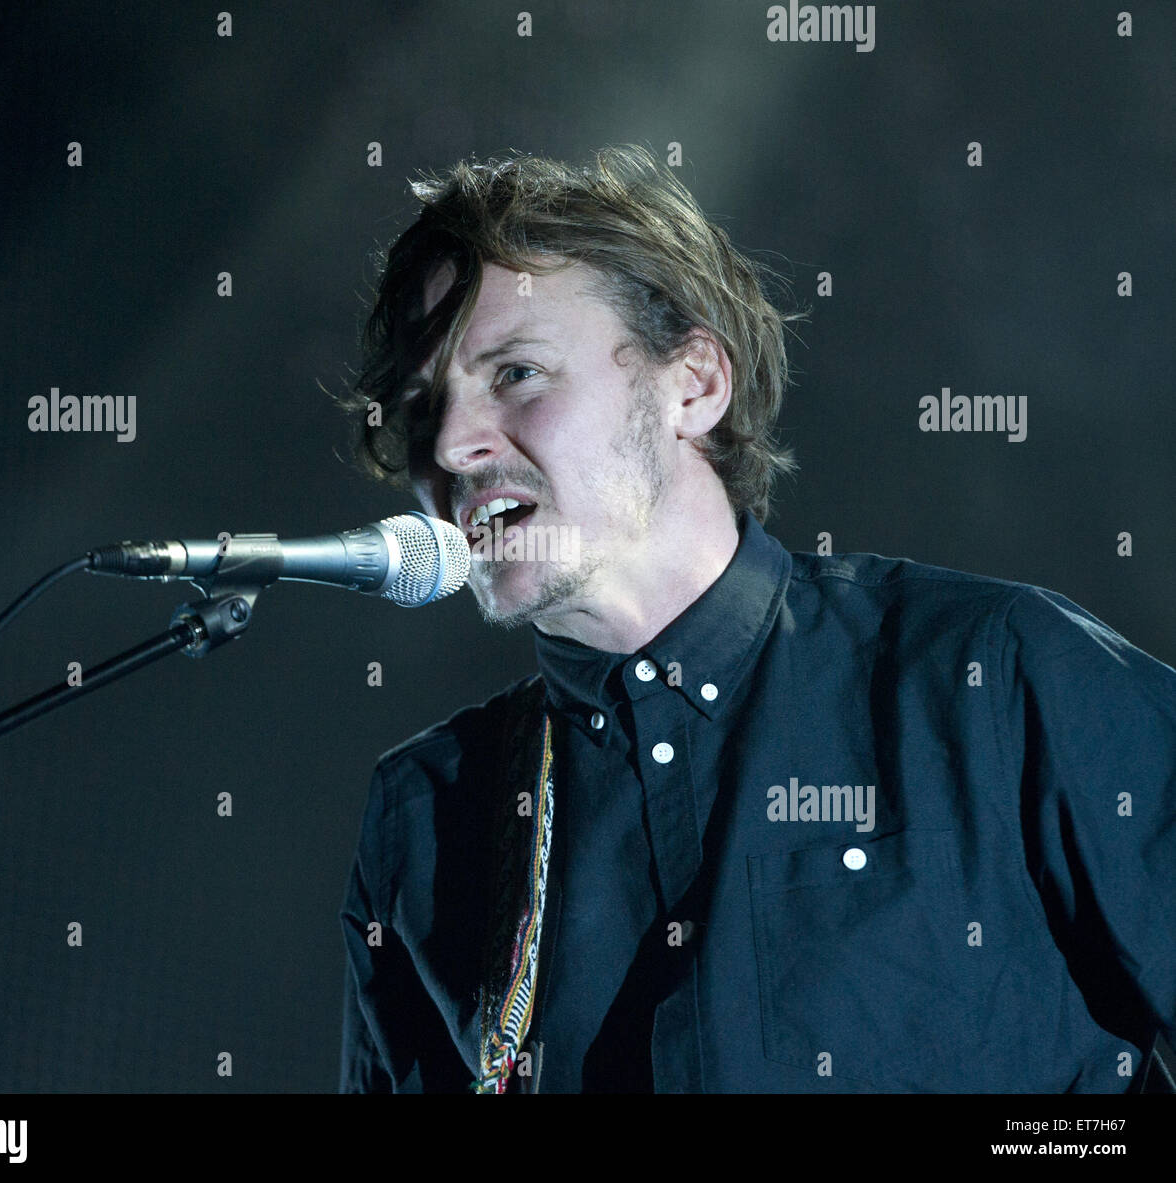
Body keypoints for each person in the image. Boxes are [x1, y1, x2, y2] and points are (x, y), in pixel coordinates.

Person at [335, 144, 1176, 1094]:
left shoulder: (995, 675)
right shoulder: (424, 813)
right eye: (423, 406)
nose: (450, 442)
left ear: (692, 383)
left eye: (517, 372)